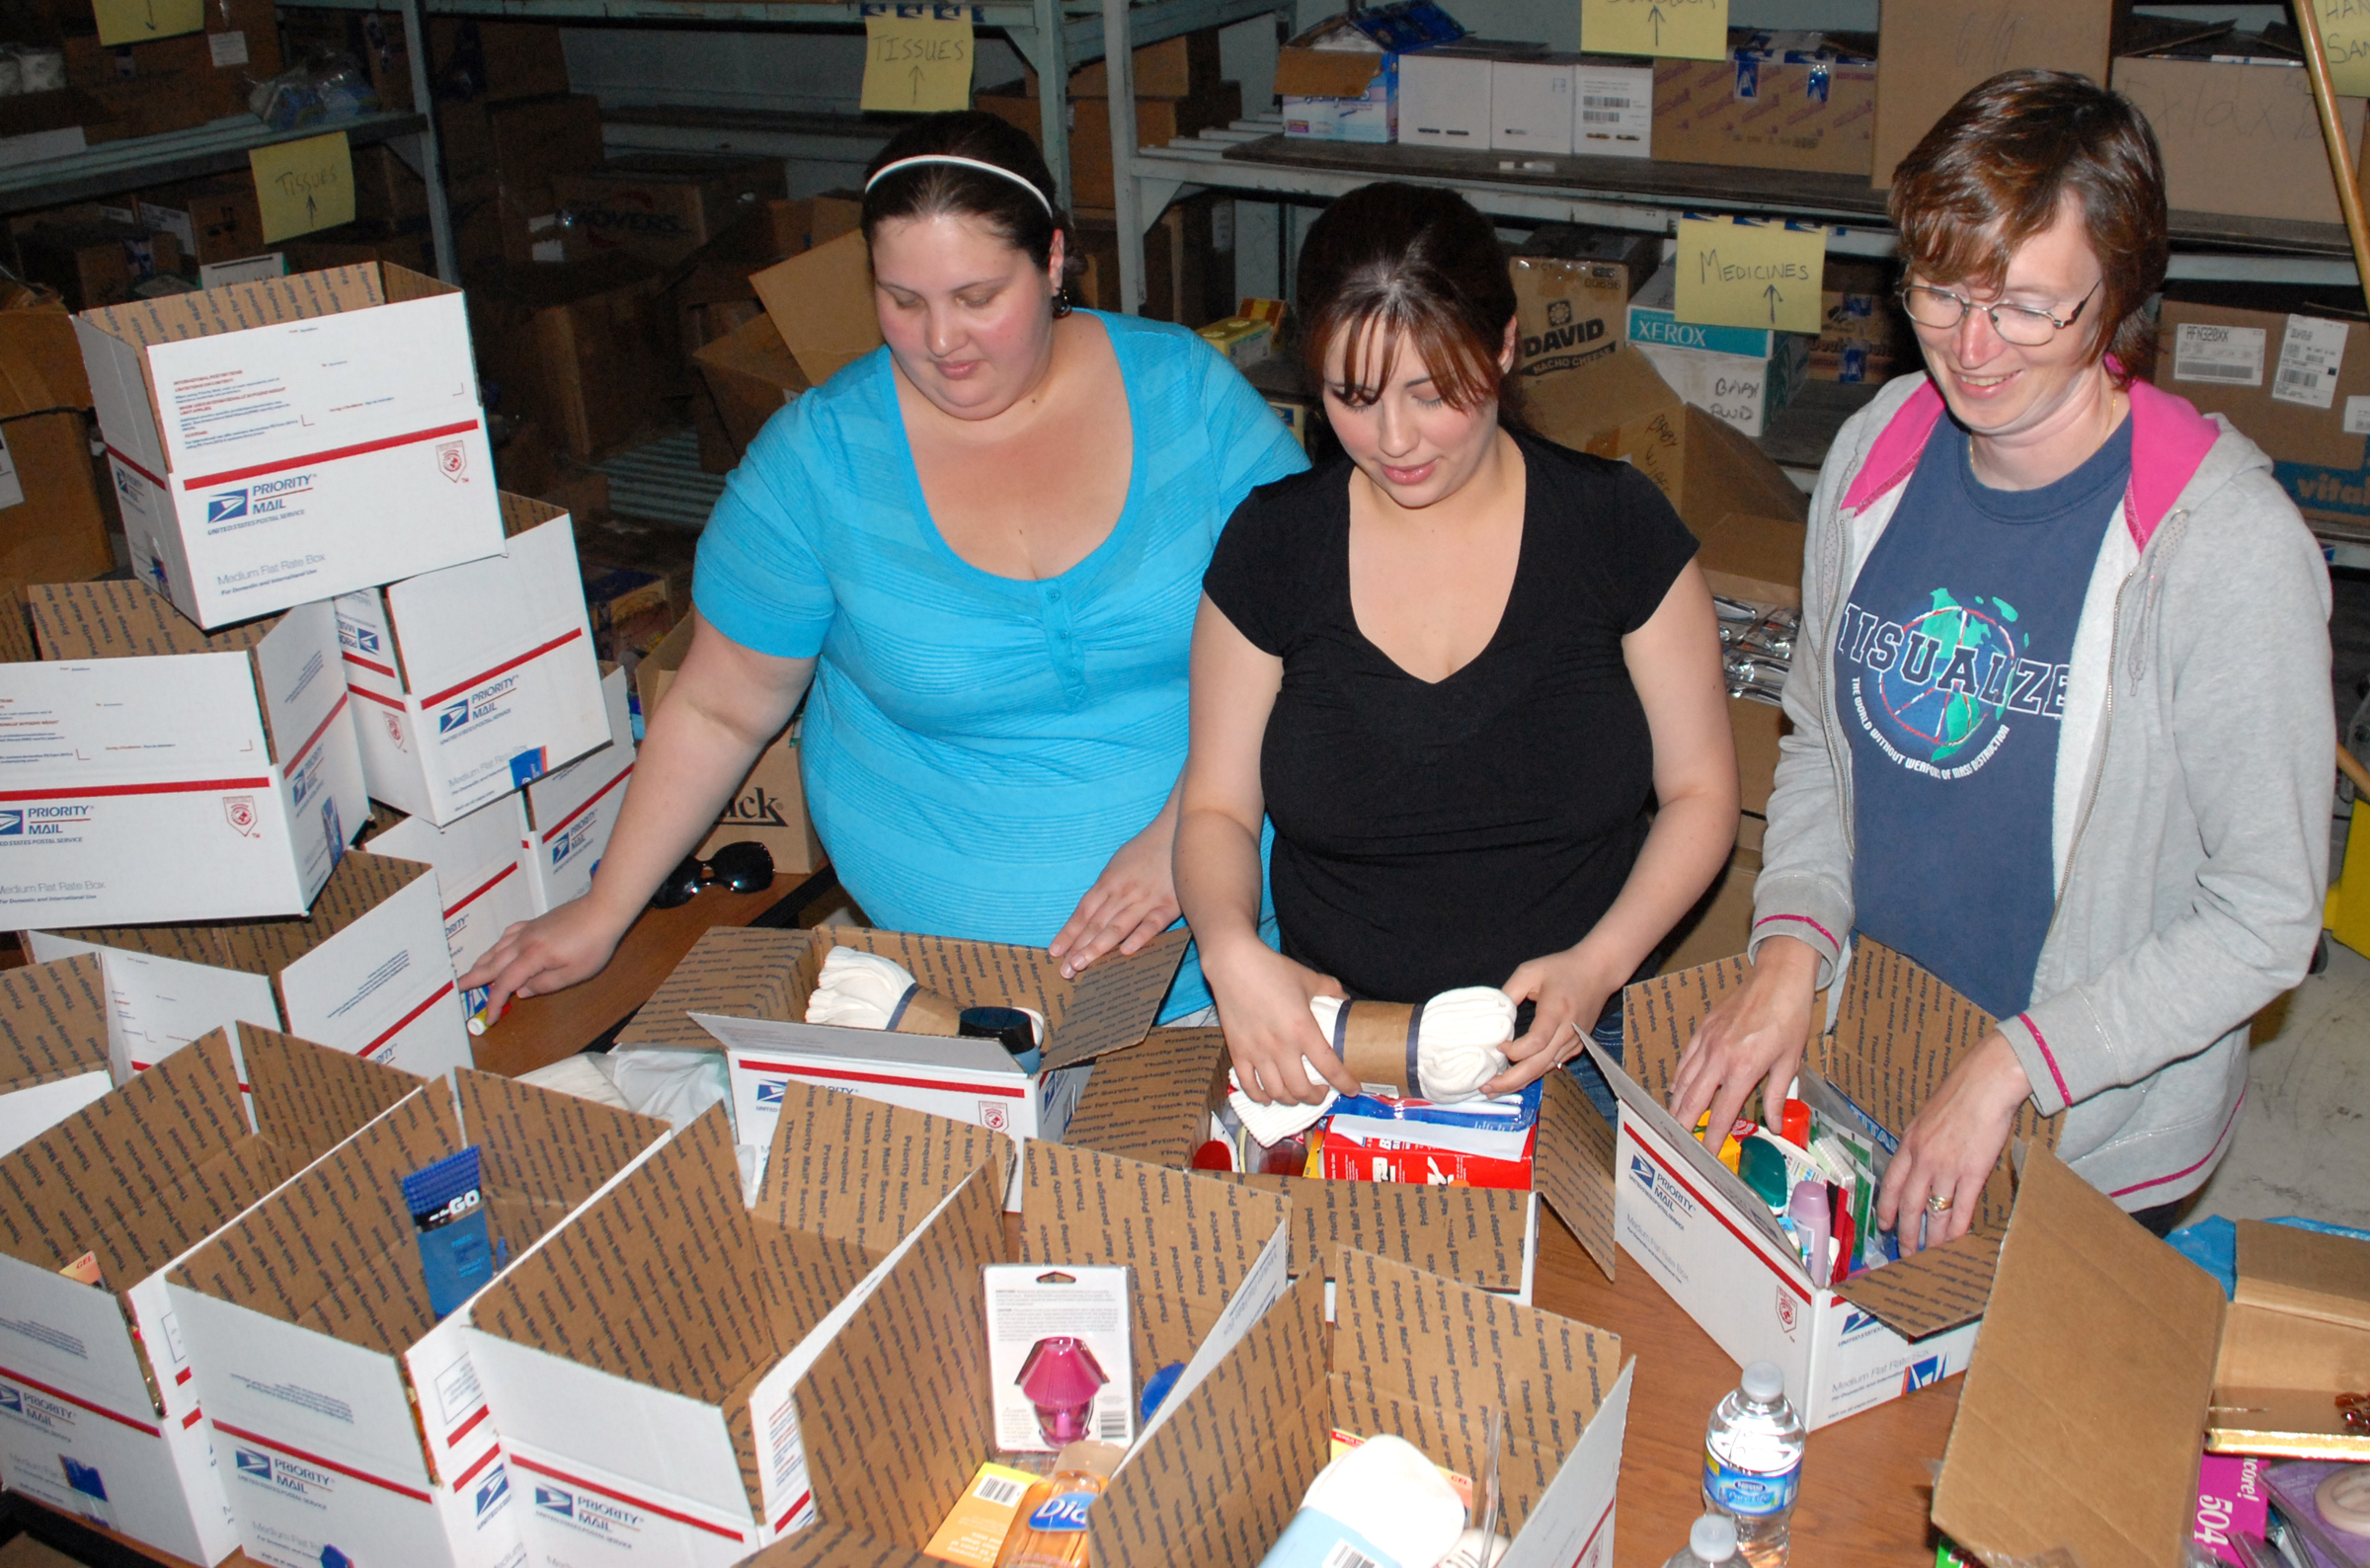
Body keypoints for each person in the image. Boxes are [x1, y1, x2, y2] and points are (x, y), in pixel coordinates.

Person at [1669, 70, 2332, 1250]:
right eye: (1938, 291)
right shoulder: (1878, 454)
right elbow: (1823, 738)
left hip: (2084, 1107)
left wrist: (2017, 1064)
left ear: (2119, 294)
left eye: (2028, 308)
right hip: (1874, 1039)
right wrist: (1792, 941)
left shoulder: (2220, 549)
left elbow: (2266, 915)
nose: (1971, 349)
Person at [461, 112, 1306, 1020]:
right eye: (903, 300)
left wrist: (1191, 836)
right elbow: (718, 704)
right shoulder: (819, 462)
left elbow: (1314, 631)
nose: (941, 339)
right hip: (949, 1000)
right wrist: (602, 911)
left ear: (1054, 261)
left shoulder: (1186, 397)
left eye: (978, 296)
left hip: (1228, 956)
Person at [1175, 182, 1737, 1107]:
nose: (1393, 440)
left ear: (1505, 345)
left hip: (1570, 1042)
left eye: (1433, 395)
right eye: (1351, 396)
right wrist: (1232, 949)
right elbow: (1218, 812)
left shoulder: (1614, 528)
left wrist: (1601, 962)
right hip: (1336, 1043)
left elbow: (1703, 792)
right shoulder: (1274, 546)